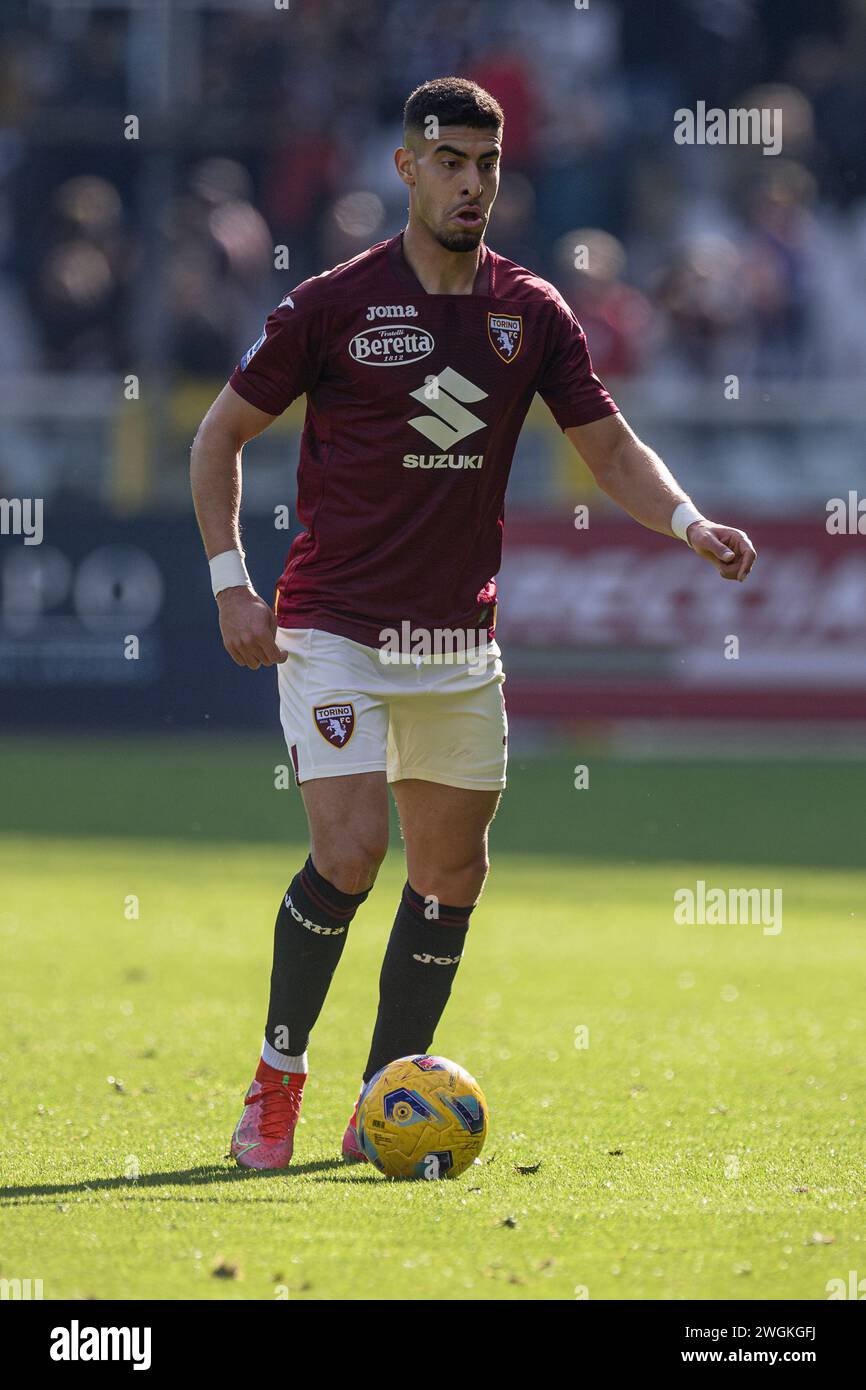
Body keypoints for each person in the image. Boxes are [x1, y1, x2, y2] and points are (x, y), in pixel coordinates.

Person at [190, 77, 756, 1171]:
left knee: (450, 877)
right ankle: (276, 1077)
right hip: (335, 624)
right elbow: (219, 437)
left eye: (486, 164)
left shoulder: (529, 311)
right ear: (404, 168)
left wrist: (685, 521)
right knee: (348, 855)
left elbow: (609, 449)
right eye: (448, 160)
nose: (470, 182)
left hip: (455, 640)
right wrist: (229, 582)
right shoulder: (331, 304)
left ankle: (382, 1101)